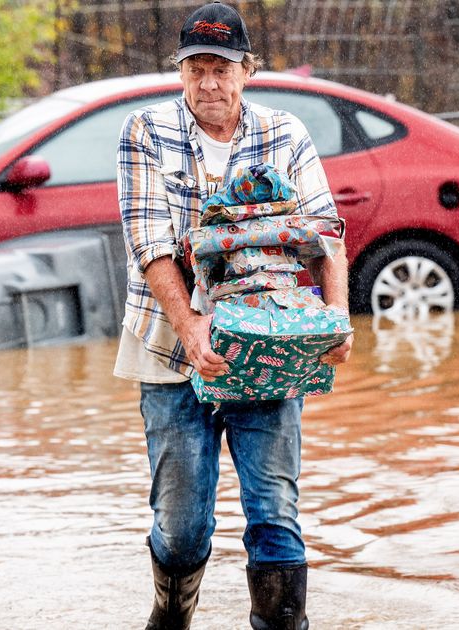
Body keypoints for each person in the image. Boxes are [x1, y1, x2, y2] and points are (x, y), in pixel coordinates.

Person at [114, 2, 352, 628]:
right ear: (181, 73)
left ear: (247, 70)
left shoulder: (286, 133)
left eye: (222, 68)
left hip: (267, 352)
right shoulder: (145, 131)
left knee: (274, 511)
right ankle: (171, 618)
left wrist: (338, 318)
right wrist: (192, 330)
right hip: (170, 347)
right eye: (196, 69)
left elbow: (326, 235)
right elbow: (150, 244)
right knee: (183, 525)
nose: (209, 84)